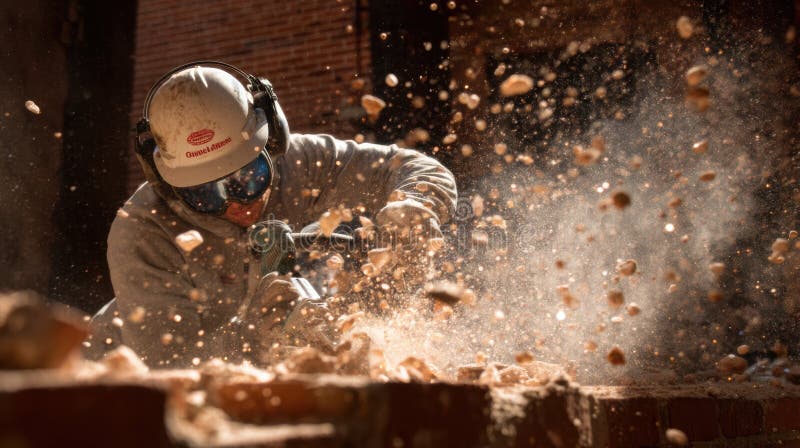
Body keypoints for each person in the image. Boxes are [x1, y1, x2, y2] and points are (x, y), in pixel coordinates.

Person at [89, 62, 457, 368]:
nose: (236, 203)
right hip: (108, 386)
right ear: (166, 183)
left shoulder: (299, 162)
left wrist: (415, 209)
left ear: (273, 143)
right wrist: (255, 333)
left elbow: (416, 168)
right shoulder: (142, 233)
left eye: (249, 178)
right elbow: (171, 372)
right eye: (204, 193)